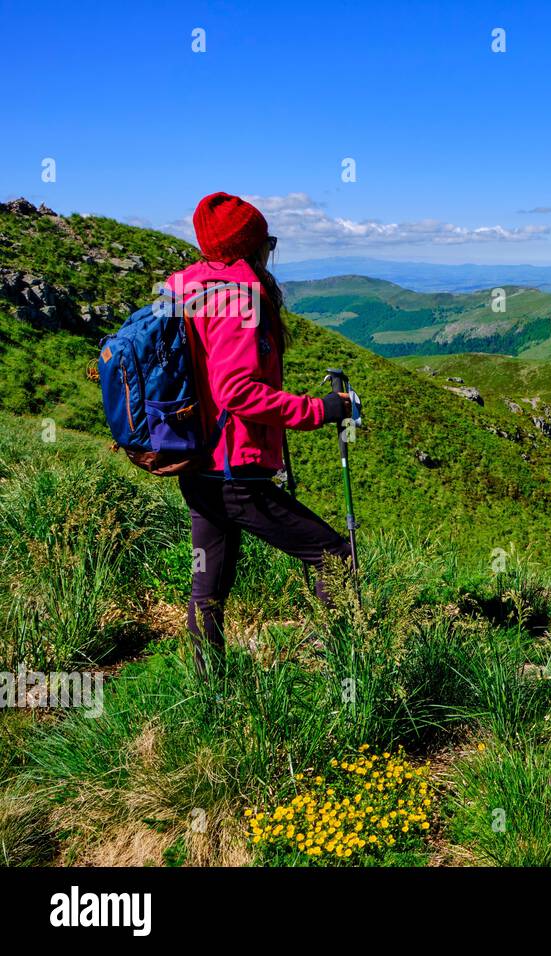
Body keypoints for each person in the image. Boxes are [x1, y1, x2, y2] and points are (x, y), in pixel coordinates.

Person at [168, 192, 353, 677]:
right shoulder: (239, 297)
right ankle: (345, 670)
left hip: (195, 459)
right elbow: (237, 392)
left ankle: (208, 695)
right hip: (234, 470)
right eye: (267, 243)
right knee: (333, 554)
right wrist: (320, 409)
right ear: (250, 247)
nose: (270, 253)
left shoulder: (186, 287)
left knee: (208, 586)